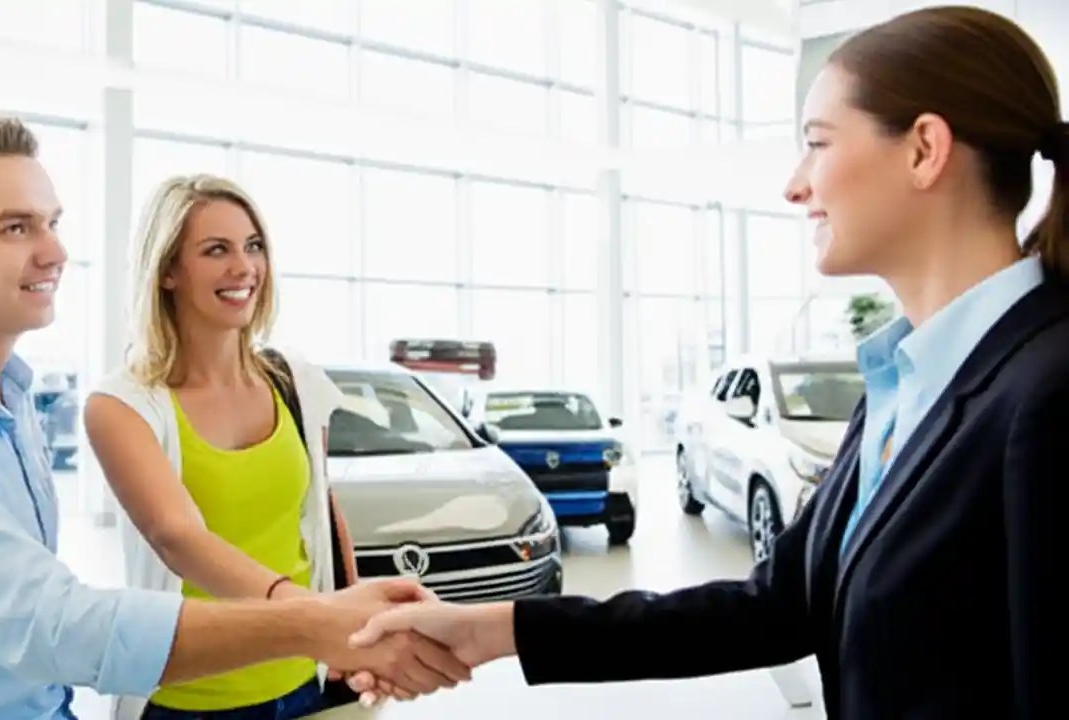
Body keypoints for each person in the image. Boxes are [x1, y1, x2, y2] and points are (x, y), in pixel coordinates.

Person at [347, 7, 1068, 719]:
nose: (795, 185)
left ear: (923, 151)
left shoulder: (1050, 389)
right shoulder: (900, 387)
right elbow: (779, 608)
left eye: (817, 143)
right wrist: (494, 630)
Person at [0, 110, 469, 719]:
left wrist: (333, 615)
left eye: (52, 224)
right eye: (16, 227)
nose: (55, 252)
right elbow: (58, 626)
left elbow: (317, 511)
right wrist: (317, 622)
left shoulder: (7, 400)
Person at [84, 173, 458, 719]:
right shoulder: (121, 405)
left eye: (253, 246)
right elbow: (178, 538)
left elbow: (323, 515)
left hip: (301, 681)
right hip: (192, 696)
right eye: (216, 250)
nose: (243, 268)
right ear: (167, 271)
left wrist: (343, 634)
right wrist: (319, 617)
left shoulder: (296, 381)